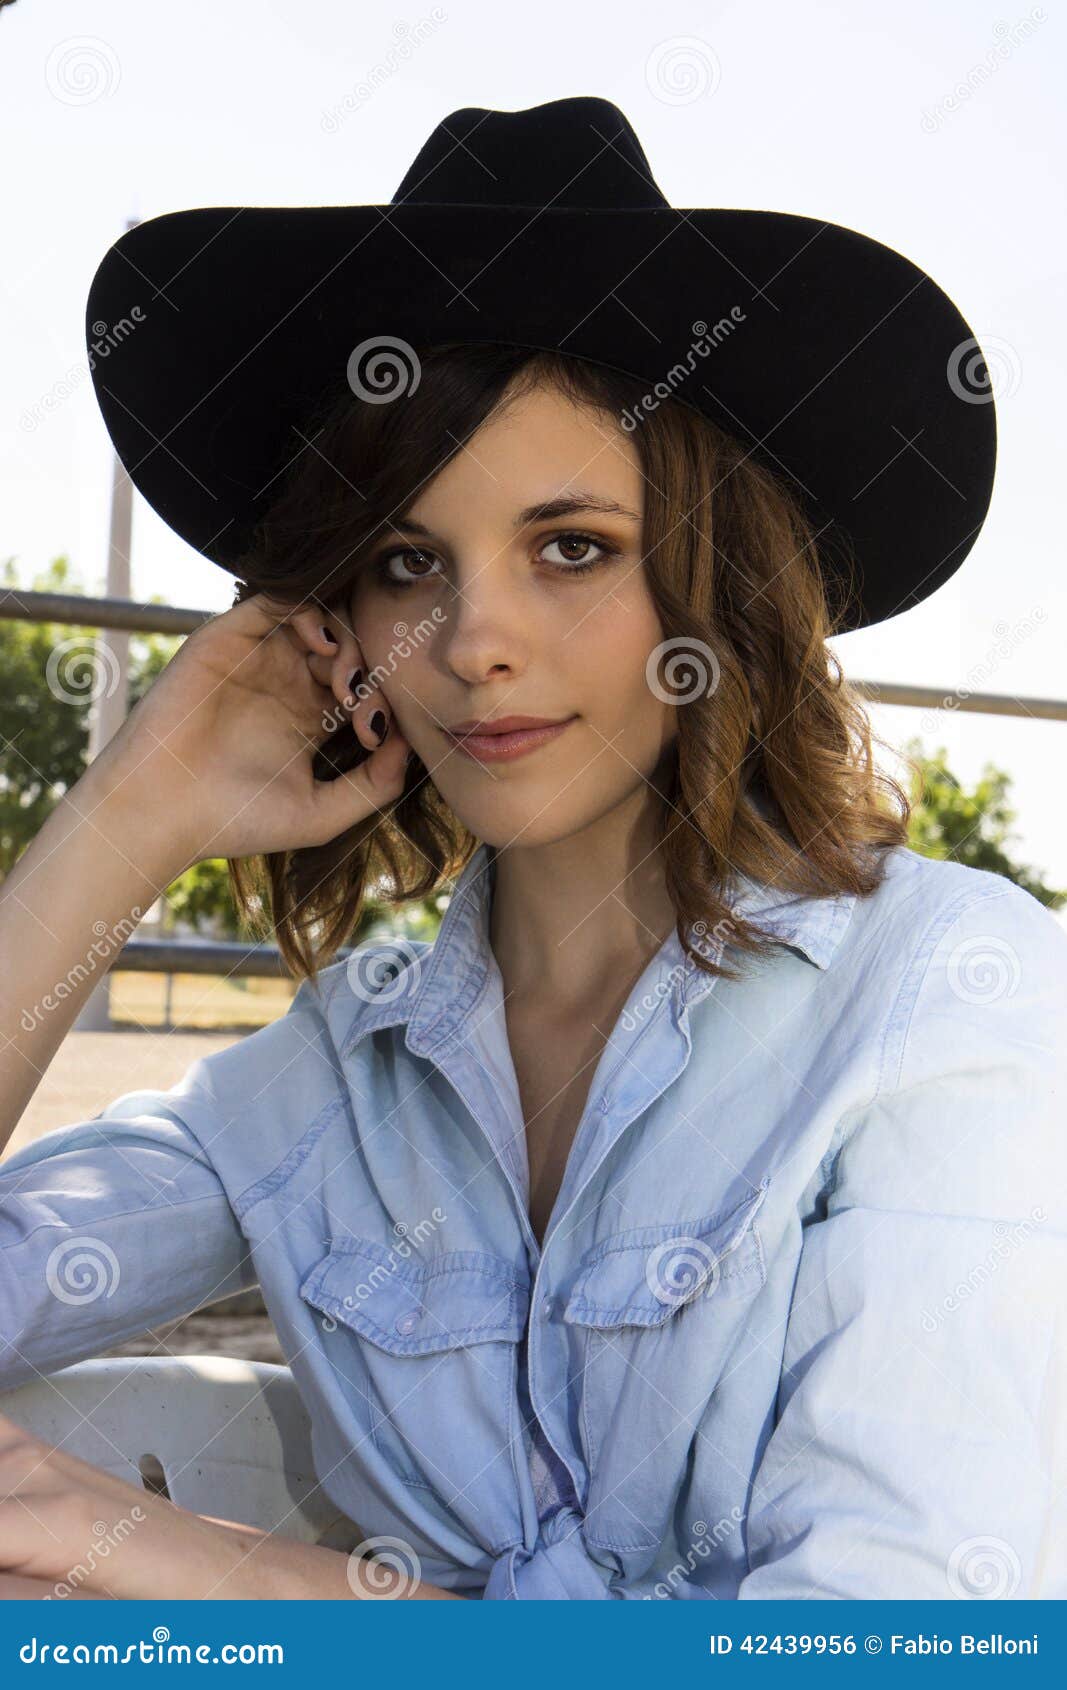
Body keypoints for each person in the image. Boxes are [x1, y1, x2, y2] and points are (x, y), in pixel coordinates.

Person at [1, 98, 1064, 1602]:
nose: (476, 638)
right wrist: (129, 813)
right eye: (404, 561)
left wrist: (241, 1572)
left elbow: (882, 1648)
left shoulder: (946, 986)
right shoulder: (325, 1087)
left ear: (712, 581)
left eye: (573, 546)